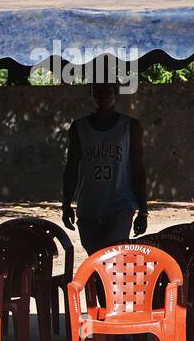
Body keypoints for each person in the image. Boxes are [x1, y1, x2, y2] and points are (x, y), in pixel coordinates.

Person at [61, 81, 148, 254]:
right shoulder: (79, 127)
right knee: (94, 259)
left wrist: (143, 211)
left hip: (120, 205)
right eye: (97, 90)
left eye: (107, 89)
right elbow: (71, 168)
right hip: (89, 206)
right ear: (91, 93)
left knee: (112, 257)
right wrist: (66, 205)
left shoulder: (130, 126)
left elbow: (138, 170)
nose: (102, 94)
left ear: (115, 91)